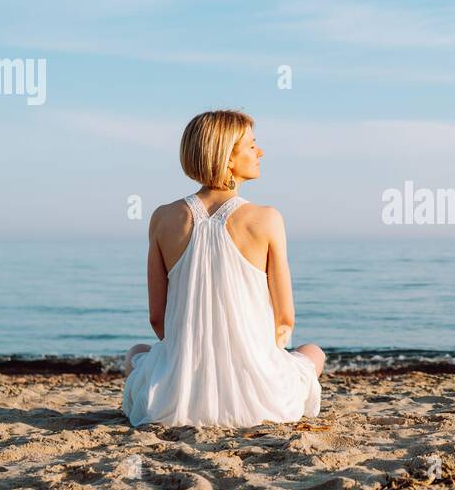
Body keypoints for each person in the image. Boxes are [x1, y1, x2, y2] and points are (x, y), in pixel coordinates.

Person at [122, 109, 323, 427]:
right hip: (260, 393)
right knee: (313, 353)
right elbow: (285, 321)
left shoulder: (163, 218)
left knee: (137, 352)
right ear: (229, 157)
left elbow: (157, 319)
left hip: (178, 391)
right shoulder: (267, 218)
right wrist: (255, 359)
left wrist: (193, 357)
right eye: (252, 145)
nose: (260, 151)